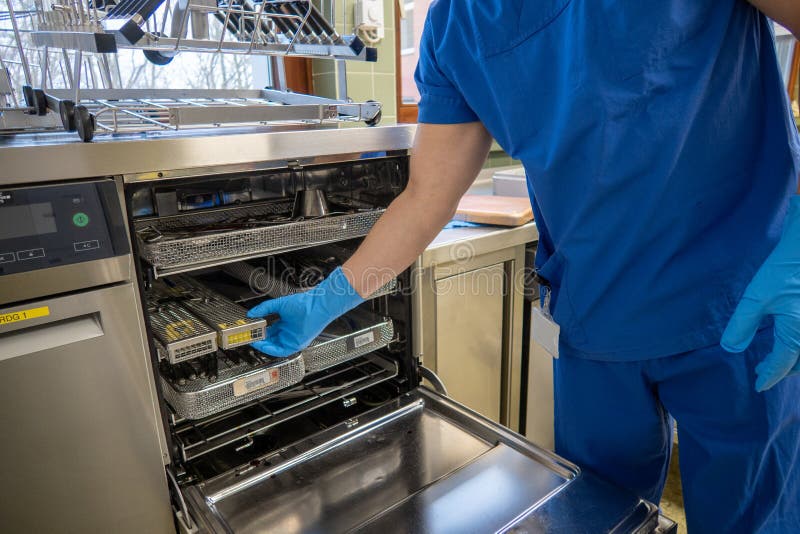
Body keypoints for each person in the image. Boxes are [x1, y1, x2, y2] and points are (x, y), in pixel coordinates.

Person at [247, 2, 800, 531]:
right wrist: (328, 298)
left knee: (749, 519)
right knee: (599, 515)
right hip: (595, 322)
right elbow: (425, 200)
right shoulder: (458, 25)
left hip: (739, 307)